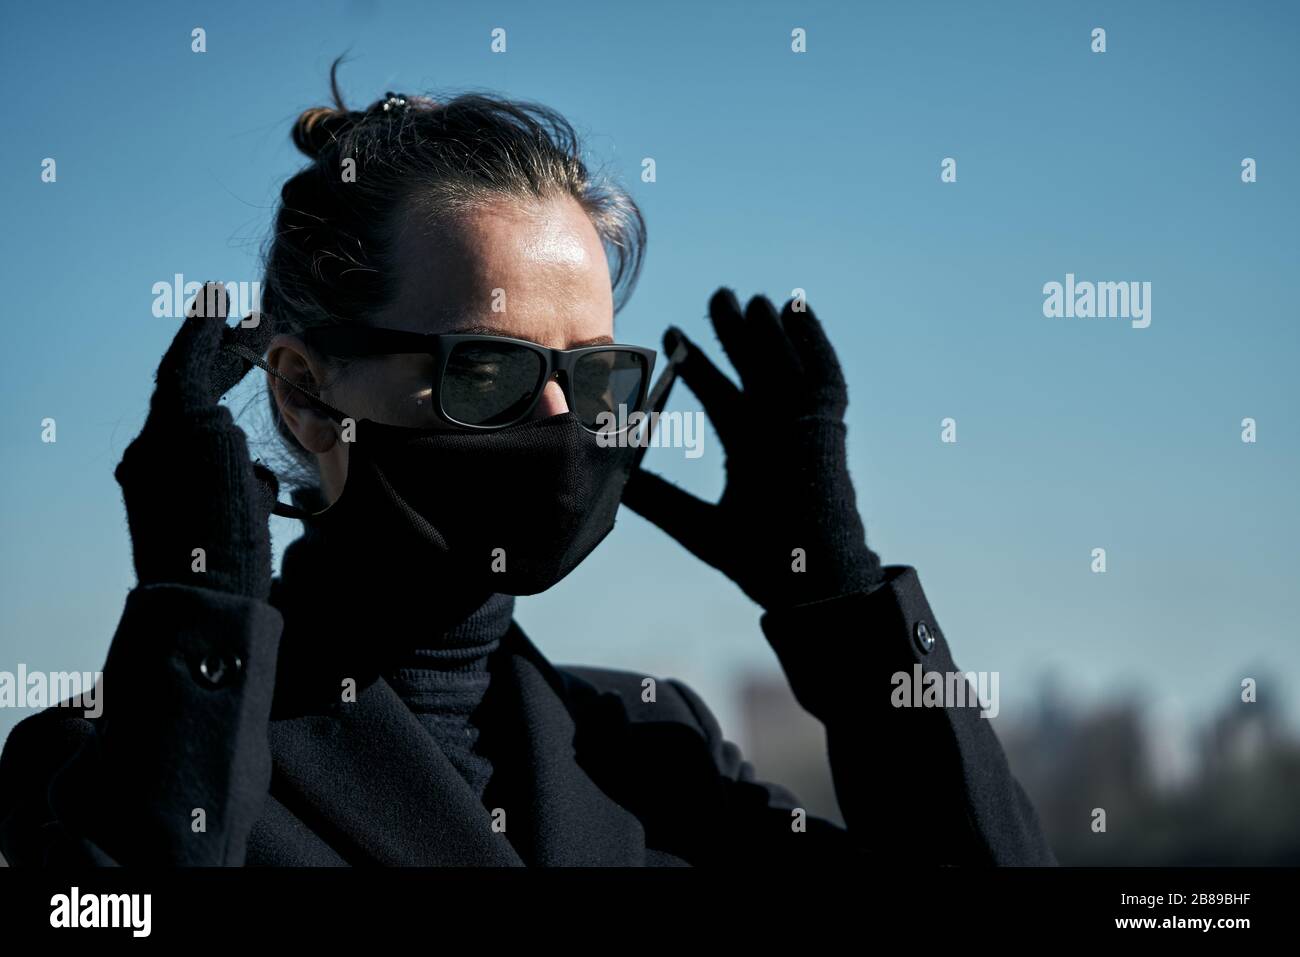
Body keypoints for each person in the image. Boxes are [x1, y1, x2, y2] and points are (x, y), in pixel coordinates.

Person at [0, 64, 1056, 866]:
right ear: (306, 393)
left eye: (593, 377)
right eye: (491, 368)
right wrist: (198, 622)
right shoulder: (108, 759)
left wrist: (841, 599)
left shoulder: (650, 744)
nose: (560, 419)